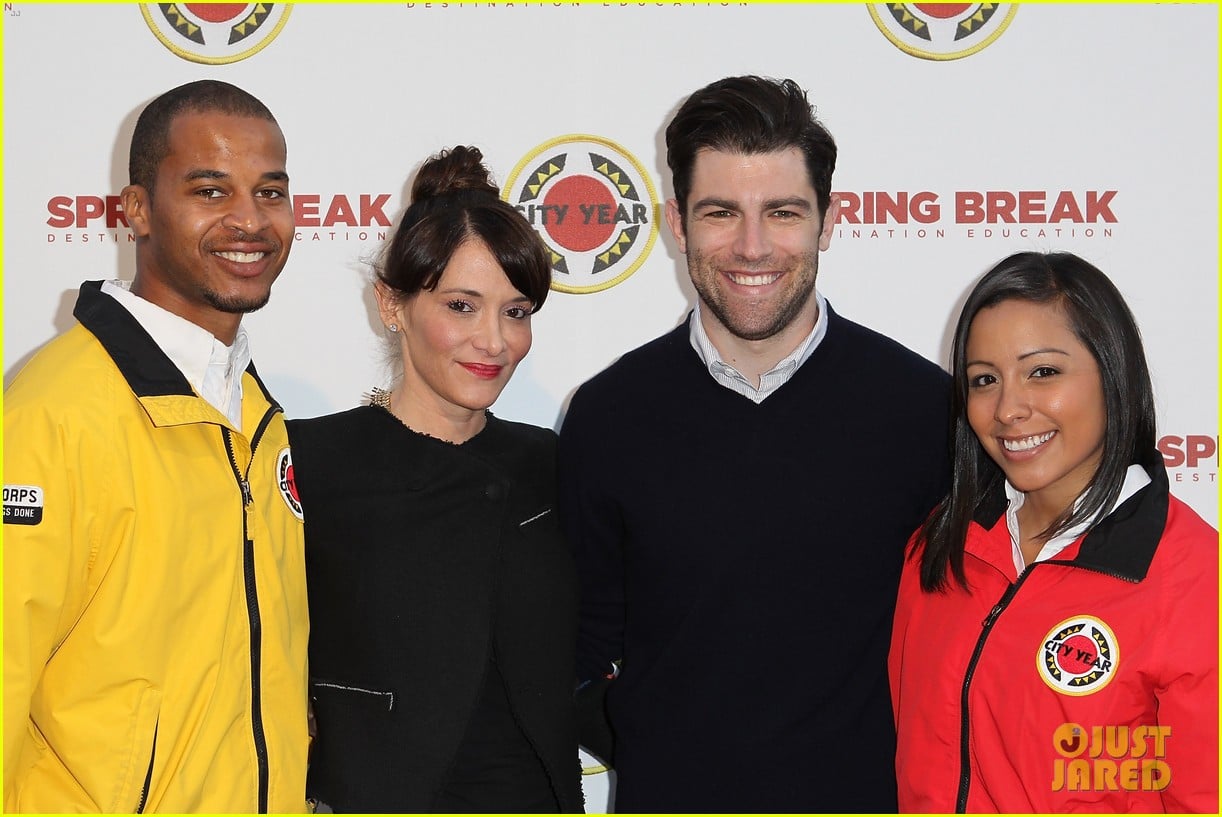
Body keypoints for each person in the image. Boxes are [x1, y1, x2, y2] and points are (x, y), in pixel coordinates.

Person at [558, 75, 951, 811]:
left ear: (827, 221)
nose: (752, 246)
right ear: (677, 223)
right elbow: (581, 646)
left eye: (782, 212)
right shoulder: (609, 416)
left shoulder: (922, 408)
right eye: (720, 212)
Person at [3, 80, 308, 812]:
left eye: (270, 193)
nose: (249, 221)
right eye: (210, 190)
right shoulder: (54, 410)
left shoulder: (257, 412)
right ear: (136, 209)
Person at [287, 146, 583, 813]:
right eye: (461, 305)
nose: (494, 341)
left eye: (516, 311)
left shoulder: (550, 465)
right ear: (392, 304)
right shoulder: (311, 461)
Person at [889, 251, 1218, 812]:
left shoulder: (1195, 580)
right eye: (984, 380)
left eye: (1043, 372)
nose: (1008, 409)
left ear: (1112, 373)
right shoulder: (941, 545)